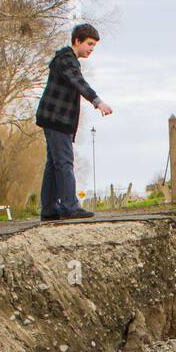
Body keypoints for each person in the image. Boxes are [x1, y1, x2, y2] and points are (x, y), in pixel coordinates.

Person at [35, 23, 113, 221]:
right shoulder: (67, 60)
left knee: (54, 163)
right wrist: (98, 102)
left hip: (54, 118)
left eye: (94, 46)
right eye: (89, 44)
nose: (91, 49)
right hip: (56, 119)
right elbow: (78, 82)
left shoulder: (65, 59)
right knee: (64, 162)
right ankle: (70, 205)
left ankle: (49, 209)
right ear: (77, 41)